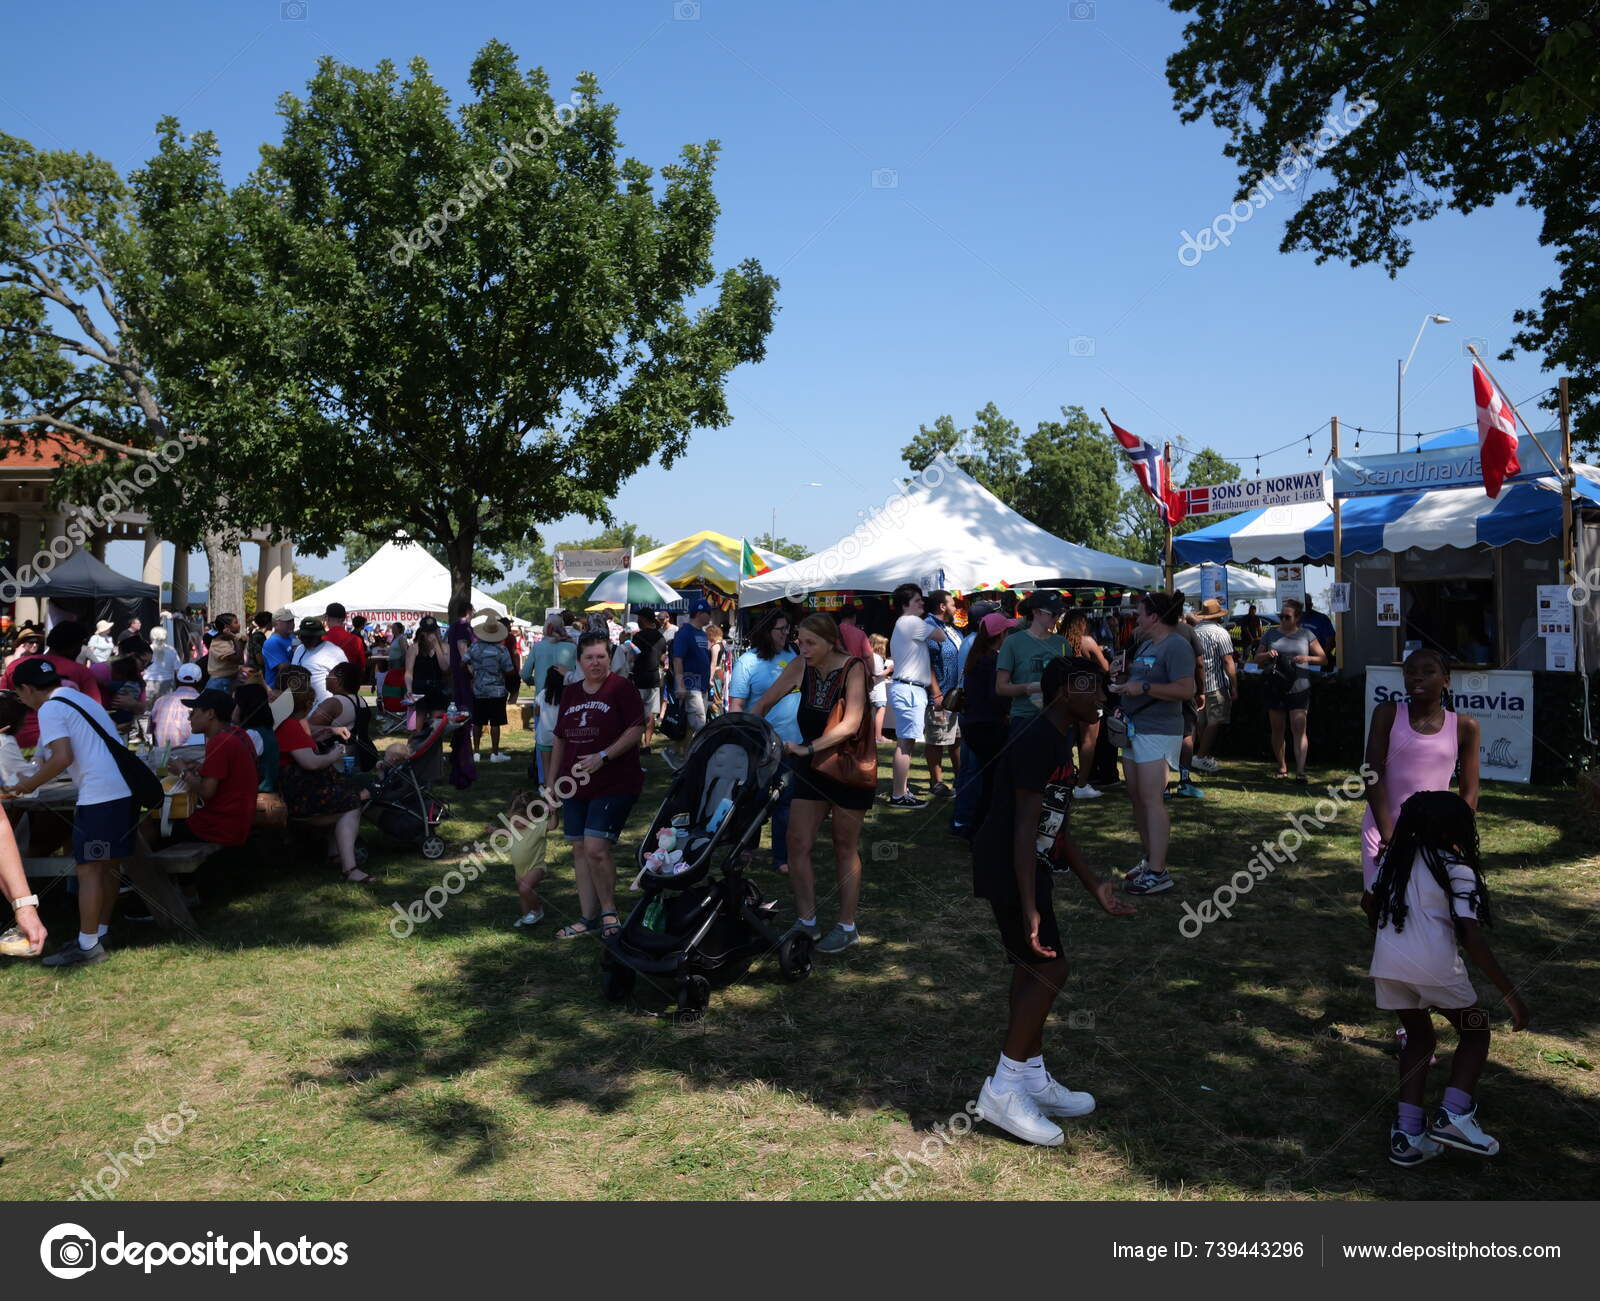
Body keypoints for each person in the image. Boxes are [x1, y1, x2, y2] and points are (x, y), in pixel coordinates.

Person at [972, 656, 1136, 1146]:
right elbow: (1023, 829)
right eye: (1094, 691)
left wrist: (1094, 885)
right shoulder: (1035, 739)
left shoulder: (1056, 736)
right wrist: (1030, 905)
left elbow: (1055, 824)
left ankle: (1029, 1077)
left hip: (1027, 864)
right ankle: (1002, 1089)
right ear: (1067, 691)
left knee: (1031, 966)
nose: (1102, 699)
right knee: (1051, 967)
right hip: (1009, 864)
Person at [1366, 791, 1527, 1167]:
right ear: (1457, 829)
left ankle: (1407, 1134)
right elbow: (1471, 936)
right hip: (1435, 968)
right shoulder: (1456, 867)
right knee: (1475, 1029)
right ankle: (1453, 1115)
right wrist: (1512, 995)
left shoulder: (1393, 859)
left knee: (1418, 1039)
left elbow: (1368, 902)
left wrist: (1386, 930)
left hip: (1388, 966)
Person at [3, 657, 137, 967]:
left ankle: (87, 945)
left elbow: (62, 757)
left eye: (19, 695)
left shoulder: (50, 707)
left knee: (88, 869)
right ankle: (99, 934)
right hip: (122, 791)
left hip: (99, 797)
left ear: (26, 689)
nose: (21, 702)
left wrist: (27, 786)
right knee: (109, 867)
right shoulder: (75, 697)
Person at [751, 613, 871, 953]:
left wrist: (807, 748)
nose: (802, 649)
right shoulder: (800, 666)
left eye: (810, 643)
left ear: (830, 641)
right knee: (797, 841)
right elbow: (763, 702)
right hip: (810, 767)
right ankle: (807, 921)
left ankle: (847, 926)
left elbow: (850, 724)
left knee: (844, 846)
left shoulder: (853, 668)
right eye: (798, 641)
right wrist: (746, 732)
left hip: (848, 767)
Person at [548, 631, 646, 941]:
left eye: (601, 657)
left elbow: (636, 729)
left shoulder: (621, 688)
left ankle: (609, 912)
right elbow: (560, 739)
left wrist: (603, 756)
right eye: (589, 657)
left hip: (615, 781)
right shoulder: (571, 693)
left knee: (596, 848)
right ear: (578, 661)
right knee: (579, 848)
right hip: (573, 784)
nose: (595, 663)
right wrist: (550, 784)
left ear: (610, 658)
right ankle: (586, 917)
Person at [1361, 647, 1480, 892]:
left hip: (1437, 835)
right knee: (1381, 907)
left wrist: (1454, 836)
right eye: (1411, 671)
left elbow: (1470, 791)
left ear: (1446, 680)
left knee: (1430, 908)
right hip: (1383, 829)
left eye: (1428, 671)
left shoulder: (1465, 726)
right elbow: (1372, 775)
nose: (1418, 677)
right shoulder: (1387, 713)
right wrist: (1389, 837)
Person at [1109, 592, 1195, 896]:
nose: (1136, 617)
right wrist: (1121, 677)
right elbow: (1137, 677)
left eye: (1140, 613)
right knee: (1137, 797)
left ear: (1154, 617)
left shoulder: (1177, 646)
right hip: (1134, 728)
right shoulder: (1146, 644)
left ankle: (1159, 872)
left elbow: (1187, 689)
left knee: (1151, 798)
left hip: (1158, 730)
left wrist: (1143, 686)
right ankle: (1150, 860)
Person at [274, 678, 373, 884]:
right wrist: (334, 755)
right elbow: (311, 763)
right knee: (352, 802)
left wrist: (331, 730)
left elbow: (307, 740)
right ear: (306, 704)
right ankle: (350, 868)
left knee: (351, 791)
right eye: (311, 703)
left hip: (302, 788)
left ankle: (334, 853)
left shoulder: (288, 723)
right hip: (300, 795)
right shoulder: (289, 727)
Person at [729, 607, 801, 875]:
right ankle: (745, 846)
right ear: (765, 631)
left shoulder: (794, 656)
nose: (786, 634)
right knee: (754, 798)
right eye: (780, 629)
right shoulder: (748, 662)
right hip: (758, 744)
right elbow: (736, 706)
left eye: (787, 629)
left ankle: (781, 857)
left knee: (786, 801)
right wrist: (741, 741)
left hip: (792, 743)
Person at [164, 689, 259, 848]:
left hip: (221, 826)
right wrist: (199, 767)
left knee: (154, 826)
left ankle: (149, 872)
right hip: (239, 822)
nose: (189, 718)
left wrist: (182, 771)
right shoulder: (238, 733)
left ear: (210, 714)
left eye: (194, 712)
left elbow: (206, 791)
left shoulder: (220, 742)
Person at [950, 610, 1013, 838]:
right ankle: (979, 827)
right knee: (988, 780)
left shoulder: (977, 656)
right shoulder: (992, 660)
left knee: (977, 776)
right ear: (1001, 634)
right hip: (988, 725)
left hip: (974, 723)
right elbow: (996, 696)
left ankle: (968, 822)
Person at [1255, 598, 1328, 784]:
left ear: (1297, 618)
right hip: (1275, 685)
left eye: (1287, 616)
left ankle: (1301, 771)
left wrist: (1306, 658)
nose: (1283, 620)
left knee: (1298, 728)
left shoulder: (1306, 635)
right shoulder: (1270, 634)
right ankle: (1282, 766)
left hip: (1299, 687)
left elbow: (1323, 659)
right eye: (1281, 616)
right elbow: (1256, 658)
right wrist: (1267, 655)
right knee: (1277, 729)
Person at [886, 583, 946, 809]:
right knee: (905, 744)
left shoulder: (904, 623)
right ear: (905, 605)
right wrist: (935, 617)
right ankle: (898, 794)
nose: (923, 603)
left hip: (909, 688)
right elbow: (940, 636)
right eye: (917, 600)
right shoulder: (911, 622)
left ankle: (902, 790)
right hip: (910, 689)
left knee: (906, 743)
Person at [0, 621, 103, 748]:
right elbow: (94, 712)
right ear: (75, 646)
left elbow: (3, 703)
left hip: (15, 743)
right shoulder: (81, 672)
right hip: (58, 745)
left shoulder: (15, 665)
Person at [995, 589, 1068, 742]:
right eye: (1053, 613)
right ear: (1036, 612)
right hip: (1023, 719)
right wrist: (1028, 688)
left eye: (1059, 612)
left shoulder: (1062, 643)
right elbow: (1000, 687)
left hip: (1057, 719)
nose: (1057, 617)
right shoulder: (1012, 642)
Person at [1061, 610, 1110, 798]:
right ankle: (1081, 785)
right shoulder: (1087, 642)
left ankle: (1065, 779)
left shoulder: (1059, 641)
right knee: (1088, 741)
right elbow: (1105, 667)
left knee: (1067, 741)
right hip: (1089, 695)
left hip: (1067, 696)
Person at [1189, 599, 1237, 774]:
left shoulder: (1193, 632)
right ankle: (1201, 757)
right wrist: (1234, 686)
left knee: (1201, 721)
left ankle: (1202, 755)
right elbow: (1228, 661)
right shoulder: (1221, 633)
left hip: (1197, 684)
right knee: (1214, 721)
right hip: (1216, 682)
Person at [923, 590, 963, 798]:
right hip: (940, 695)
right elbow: (926, 662)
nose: (956, 608)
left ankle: (960, 777)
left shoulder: (952, 628)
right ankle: (936, 782)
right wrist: (936, 693)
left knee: (956, 738)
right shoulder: (929, 627)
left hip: (956, 694)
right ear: (942, 606)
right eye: (953, 604)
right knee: (937, 740)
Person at [666, 599, 714, 771]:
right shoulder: (684, 633)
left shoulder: (701, 633)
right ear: (699, 613)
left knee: (690, 726)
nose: (710, 616)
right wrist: (680, 683)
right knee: (699, 724)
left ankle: (678, 755)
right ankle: (701, 760)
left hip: (701, 686)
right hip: (690, 685)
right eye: (708, 612)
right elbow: (677, 658)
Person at [466, 612, 515, 762]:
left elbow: (463, 662)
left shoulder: (474, 648)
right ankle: (494, 753)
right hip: (497, 690)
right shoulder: (501, 650)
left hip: (479, 689)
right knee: (495, 722)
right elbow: (509, 670)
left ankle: (476, 753)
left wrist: (474, 670)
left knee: (477, 722)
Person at [627, 611, 667, 751]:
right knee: (650, 713)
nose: (637, 620)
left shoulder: (638, 636)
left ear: (644, 619)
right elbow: (663, 657)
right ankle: (647, 745)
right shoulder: (660, 636)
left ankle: (637, 744)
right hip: (654, 677)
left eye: (639, 617)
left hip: (639, 677)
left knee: (637, 714)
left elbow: (633, 658)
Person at [290, 616, 348, 705]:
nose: (306, 639)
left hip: (324, 710)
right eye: (304, 636)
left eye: (310, 637)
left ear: (319, 635)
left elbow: (345, 681)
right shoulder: (299, 649)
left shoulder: (334, 652)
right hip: (300, 710)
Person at [406, 615, 451, 725]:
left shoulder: (445, 647)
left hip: (438, 689)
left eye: (433, 631)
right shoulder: (414, 648)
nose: (430, 635)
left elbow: (445, 667)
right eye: (427, 632)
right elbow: (409, 672)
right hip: (420, 690)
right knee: (418, 727)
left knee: (436, 726)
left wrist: (437, 645)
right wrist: (409, 689)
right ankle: (415, 742)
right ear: (422, 633)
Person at [150, 663, 205, 747]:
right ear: (201, 681)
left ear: (177, 679)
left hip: (162, 755)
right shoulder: (202, 703)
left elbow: (152, 732)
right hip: (190, 755)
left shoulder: (159, 701)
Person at [321, 603, 367, 683]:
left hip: (326, 683)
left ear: (327, 618)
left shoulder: (320, 640)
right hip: (348, 685)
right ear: (344, 619)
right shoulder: (356, 640)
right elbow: (362, 666)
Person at [204, 612, 245, 693]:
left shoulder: (230, 639)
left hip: (229, 681)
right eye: (236, 622)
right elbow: (240, 660)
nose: (239, 625)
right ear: (226, 627)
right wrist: (234, 638)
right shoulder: (218, 644)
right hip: (219, 684)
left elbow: (244, 639)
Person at [261, 608, 296, 689]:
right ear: (276, 624)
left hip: (292, 688)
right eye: (288, 621)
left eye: (292, 620)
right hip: (277, 692)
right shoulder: (271, 643)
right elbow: (285, 669)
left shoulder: (292, 636)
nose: (292, 624)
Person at [143, 625, 180, 701]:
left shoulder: (145, 650)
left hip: (148, 683)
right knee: (165, 709)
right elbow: (178, 669)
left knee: (148, 711)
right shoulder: (171, 650)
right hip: (167, 683)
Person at [867, 633, 890, 747]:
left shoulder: (868, 656)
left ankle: (873, 735)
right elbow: (877, 674)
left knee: (869, 713)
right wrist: (889, 670)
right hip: (877, 689)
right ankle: (878, 736)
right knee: (880, 710)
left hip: (871, 688)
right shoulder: (876, 657)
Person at [1300, 594, 1336, 667]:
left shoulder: (1322, 619)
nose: (1303, 609)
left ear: (1311, 605)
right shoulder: (1293, 619)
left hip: (1317, 665)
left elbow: (1330, 642)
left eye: (1305, 605)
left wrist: (1319, 660)